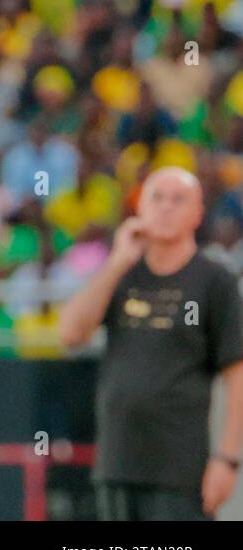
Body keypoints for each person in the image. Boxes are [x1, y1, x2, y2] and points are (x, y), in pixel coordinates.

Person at [59, 166, 243, 520]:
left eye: (178, 199)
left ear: (197, 214)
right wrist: (117, 261)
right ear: (139, 208)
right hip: (116, 463)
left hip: (180, 471)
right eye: (156, 197)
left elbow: (237, 374)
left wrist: (227, 459)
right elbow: (70, 333)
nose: (165, 207)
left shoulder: (213, 281)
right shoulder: (121, 275)